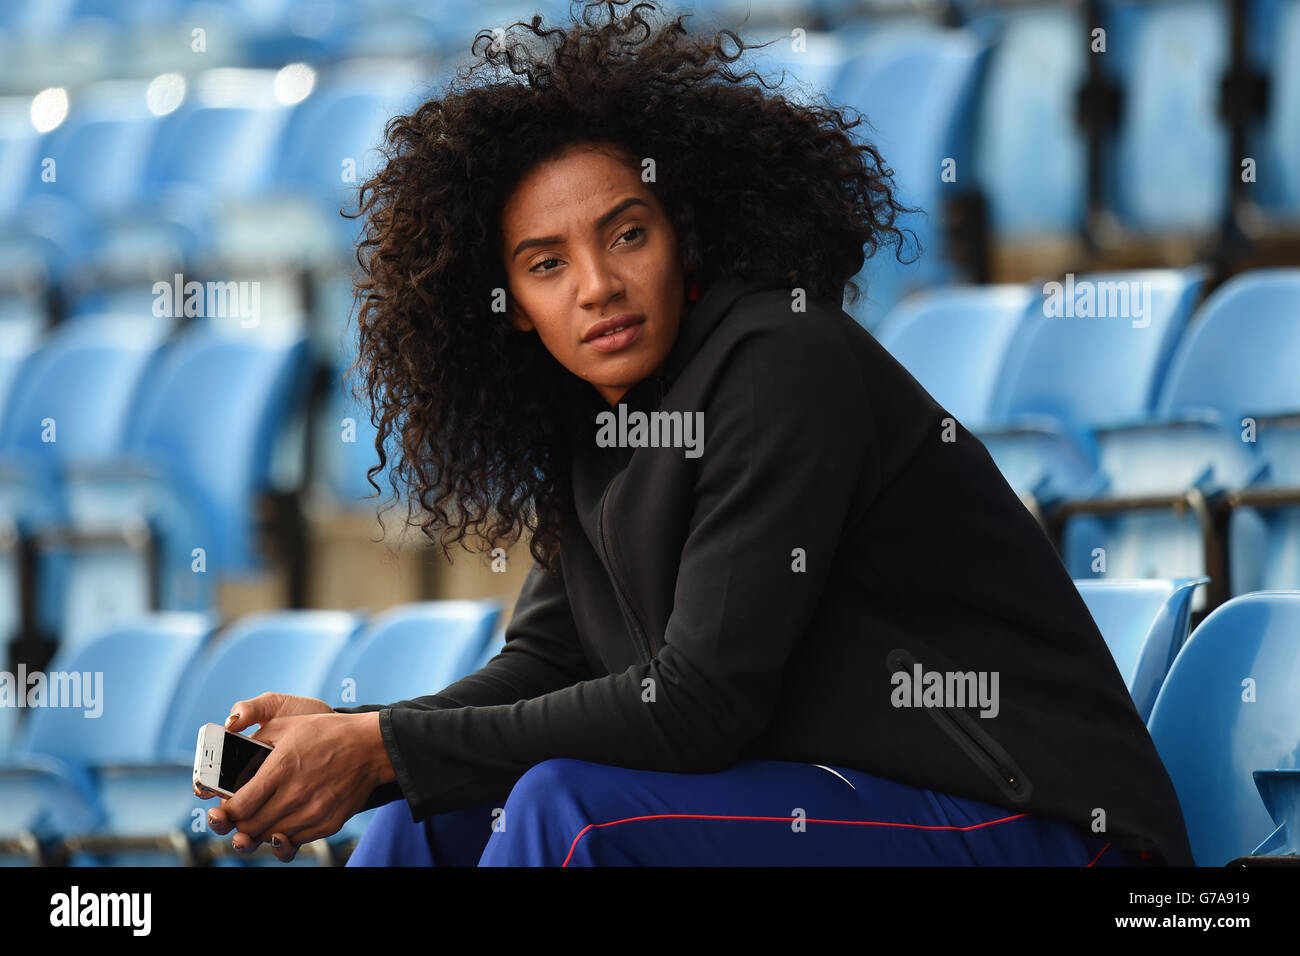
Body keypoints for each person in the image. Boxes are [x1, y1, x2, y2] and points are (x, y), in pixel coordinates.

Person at [197, 0, 1194, 867]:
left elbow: (698, 703)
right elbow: (551, 661)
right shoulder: (596, 415)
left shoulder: (784, 360)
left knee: (564, 811)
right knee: (425, 820)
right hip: (841, 801)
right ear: (507, 303)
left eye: (627, 232)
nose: (598, 285)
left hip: (1036, 821)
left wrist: (382, 747)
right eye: (546, 264)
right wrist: (368, 745)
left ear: (686, 231)